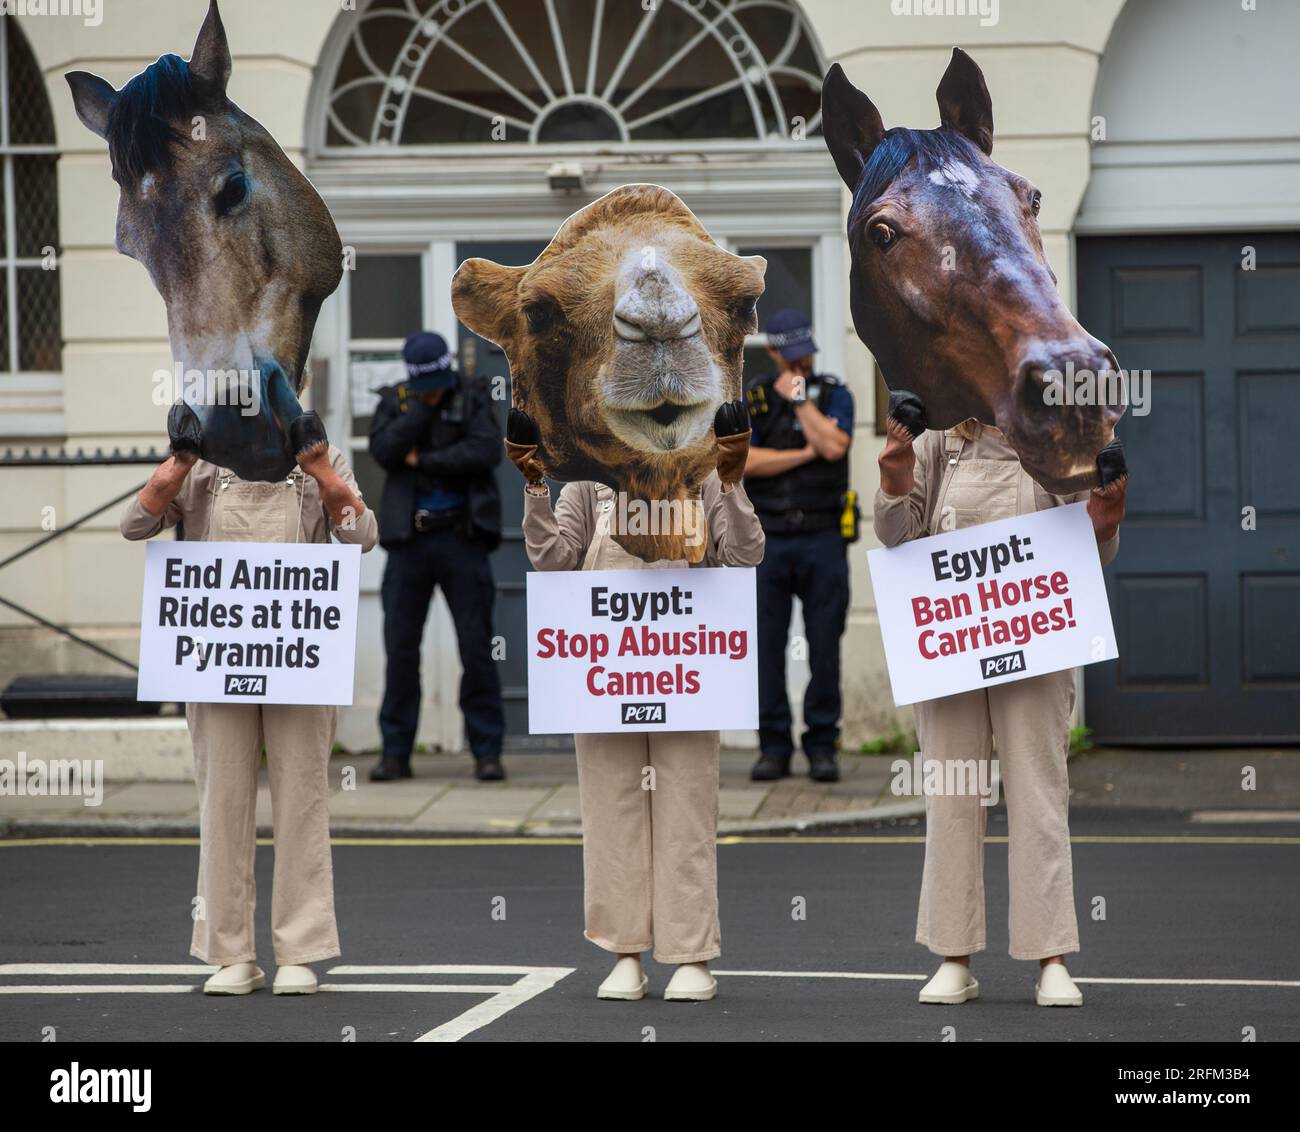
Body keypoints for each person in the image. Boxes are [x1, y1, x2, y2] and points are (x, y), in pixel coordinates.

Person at [510, 403, 763, 1001]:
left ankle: (690, 954)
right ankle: (624, 952)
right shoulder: (586, 479)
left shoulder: (703, 470)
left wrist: (731, 481)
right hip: (603, 672)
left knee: (687, 813)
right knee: (611, 812)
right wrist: (535, 487)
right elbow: (553, 560)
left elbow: (744, 555)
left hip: (686, 672)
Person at [874, 413, 1128, 1007]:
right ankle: (952, 956)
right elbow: (895, 536)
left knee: (1039, 794)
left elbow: (1093, 550)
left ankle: (1052, 958)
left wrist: (1107, 517)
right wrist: (894, 474)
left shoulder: (1064, 436)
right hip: (949, 642)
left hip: (1039, 640)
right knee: (951, 796)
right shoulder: (935, 438)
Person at [120, 430, 378, 996]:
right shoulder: (202, 461)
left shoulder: (323, 457)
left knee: (302, 799)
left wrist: (322, 471)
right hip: (215, 658)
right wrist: (177, 464)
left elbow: (362, 536)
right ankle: (230, 953)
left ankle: (300, 951)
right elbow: (135, 524)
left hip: (300, 655)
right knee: (223, 801)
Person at [368, 331, 506, 783]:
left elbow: (485, 451)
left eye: (438, 385)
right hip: (409, 542)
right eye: (425, 386)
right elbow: (384, 452)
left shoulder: (474, 393)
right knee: (401, 650)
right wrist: (419, 411)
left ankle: (487, 752)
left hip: (462, 539)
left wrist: (423, 459)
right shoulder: (396, 401)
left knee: (477, 648)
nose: (434, 392)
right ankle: (395, 754)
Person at [743, 308, 854, 784]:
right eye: (791, 357)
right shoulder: (754, 399)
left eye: (805, 355)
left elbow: (834, 447)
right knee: (766, 646)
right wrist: (804, 452)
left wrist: (802, 404)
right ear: (773, 352)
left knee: (824, 643)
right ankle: (773, 746)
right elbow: (744, 462)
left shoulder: (833, 394)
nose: (800, 364)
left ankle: (822, 744)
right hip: (767, 539)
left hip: (823, 536)